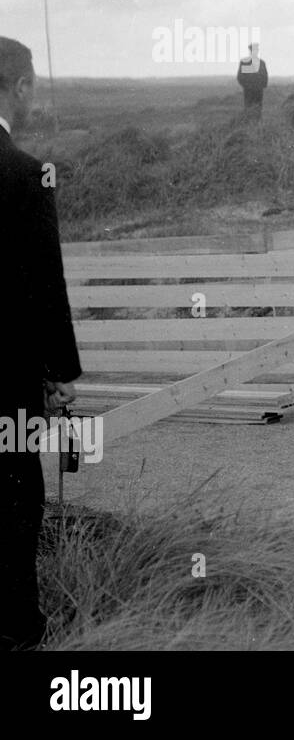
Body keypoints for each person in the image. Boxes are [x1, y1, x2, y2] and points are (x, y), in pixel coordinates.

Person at [0, 36, 80, 650]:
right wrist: (59, 370)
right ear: (20, 87)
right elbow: (43, 283)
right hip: (4, 379)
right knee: (15, 494)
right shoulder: (25, 175)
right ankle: (19, 631)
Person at [236, 43, 268, 122]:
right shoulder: (244, 62)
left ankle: (258, 124)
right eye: (253, 50)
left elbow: (265, 76)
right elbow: (240, 76)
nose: (255, 52)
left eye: (256, 50)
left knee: (258, 109)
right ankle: (248, 124)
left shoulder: (262, 63)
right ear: (250, 51)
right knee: (248, 108)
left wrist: (261, 86)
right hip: (248, 91)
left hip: (258, 91)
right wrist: (247, 86)